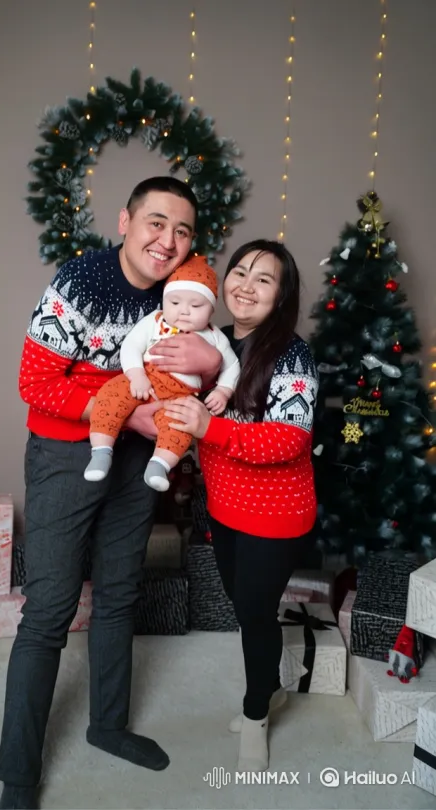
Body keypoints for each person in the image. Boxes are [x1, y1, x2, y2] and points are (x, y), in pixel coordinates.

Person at [0, 176, 222, 810]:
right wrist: (122, 413)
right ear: (125, 222)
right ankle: (18, 772)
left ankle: (108, 725)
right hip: (66, 454)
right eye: (156, 222)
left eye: (181, 231)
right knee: (48, 611)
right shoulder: (81, 281)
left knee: (121, 593)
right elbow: (34, 381)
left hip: (135, 459)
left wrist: (202, 372)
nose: (167, 240)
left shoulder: (184, 301)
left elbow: (211, 368)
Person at [164, 239, 319, 774]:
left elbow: (289, 439)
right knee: (245, 607)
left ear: (282, 296)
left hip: (276, 512)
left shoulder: (292, 354)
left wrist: (211, 427)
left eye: (264, 279)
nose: (246, 285)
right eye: (240, 271)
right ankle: (270, 685)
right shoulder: (213, 342)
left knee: (254, 613)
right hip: (225, 505)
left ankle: (257, 713)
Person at [83, 255, 240, 491]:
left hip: (178, 396)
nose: (183, 311)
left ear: (211, 311)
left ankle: (159, 465)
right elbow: (132, 345)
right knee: (111, 395)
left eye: (196, 306)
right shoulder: (154, 322)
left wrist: (223, 392)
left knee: (179, 427)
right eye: (174, 303)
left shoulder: (214, 336)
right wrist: (136, 374)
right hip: (144, 380)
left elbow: (232, 365)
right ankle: (101, 451)